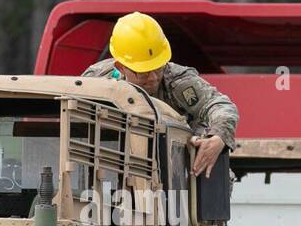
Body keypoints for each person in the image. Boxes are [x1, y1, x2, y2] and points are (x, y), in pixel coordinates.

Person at [81, 12, 238, 177]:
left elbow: (220, 105)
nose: (154, 78)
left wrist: (218, 136)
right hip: (114, 169)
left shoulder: (177, 81)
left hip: (181, 173)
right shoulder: (96, 82)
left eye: (158, 68)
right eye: (143, 73)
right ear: (121, 67)